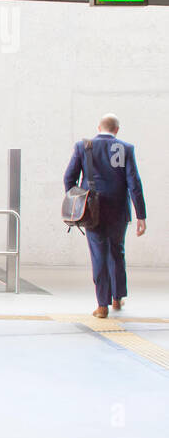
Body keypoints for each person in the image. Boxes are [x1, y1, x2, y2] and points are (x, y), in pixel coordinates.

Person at [63, 114, 147, 318]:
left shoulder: (83, 146)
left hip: (93, 210)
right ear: (117, 130)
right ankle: (118, 297)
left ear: (98, 127)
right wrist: (141, 216)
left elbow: (69, 177)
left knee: (99, 254)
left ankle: (102, 305)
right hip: (119, 209)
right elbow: (134, 183)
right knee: (117, 251)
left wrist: (76, 199)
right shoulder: (126, 148)